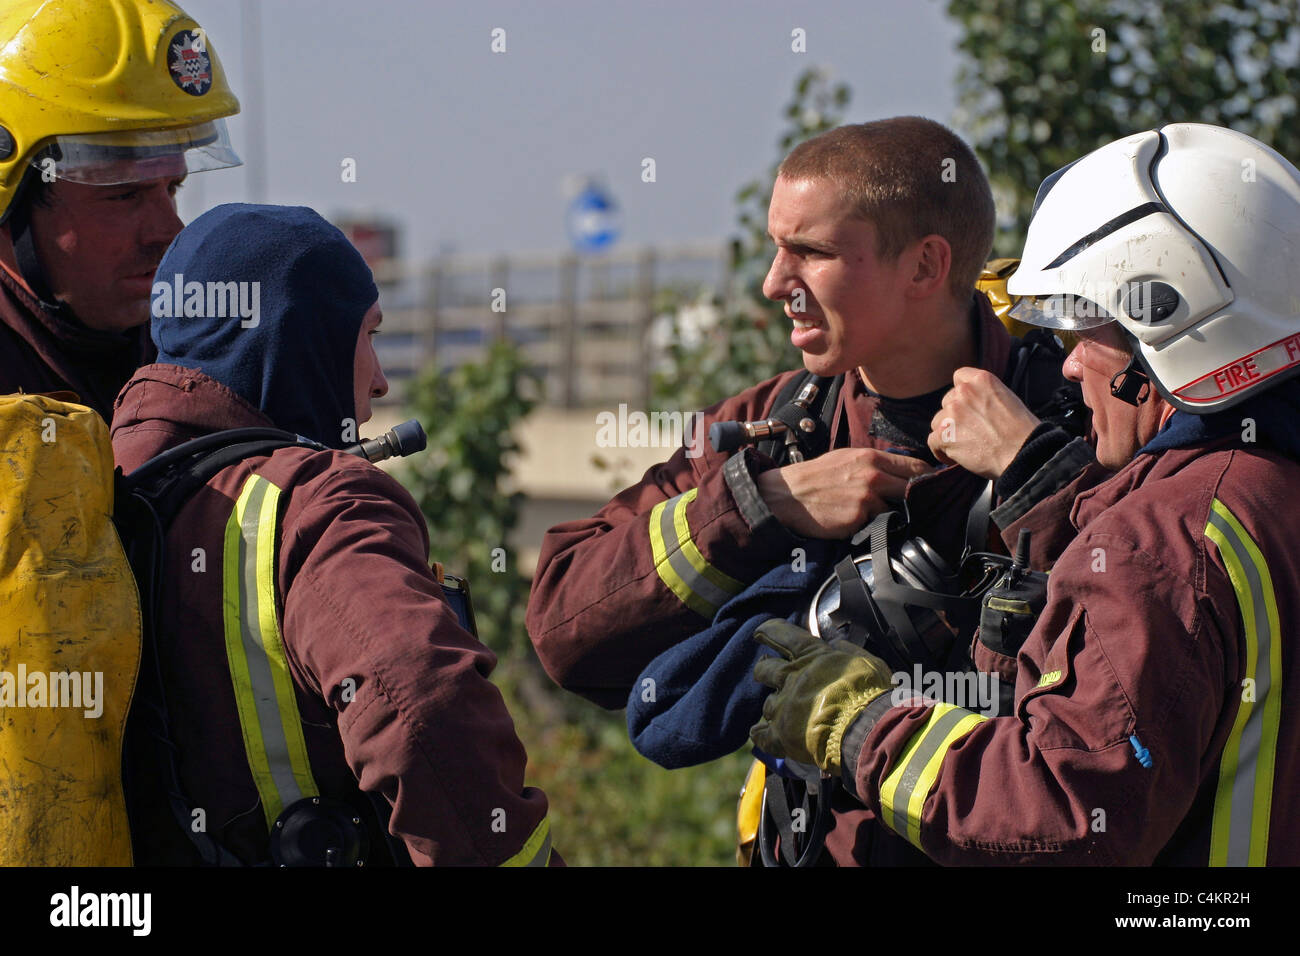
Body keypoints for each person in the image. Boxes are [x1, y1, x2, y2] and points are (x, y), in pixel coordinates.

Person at [526, 117, 1083, 865]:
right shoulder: (777, 424)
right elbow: (568, 634)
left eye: (811, 253)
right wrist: (763, 507)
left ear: (925, 267)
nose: (773, 283)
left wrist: (1033, 482)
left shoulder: (1073, 427)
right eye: (775, 248)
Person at [751, 123, 1300, 865]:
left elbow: (1061, 811)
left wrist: (856, 724)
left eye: (1086, 332)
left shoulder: (1162, 538)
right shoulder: (1265, 490)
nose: (1070, 369)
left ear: (1168, 323)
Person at [112, 204, 556, 866]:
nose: (378, 380)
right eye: (367, 335)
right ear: (302, 339)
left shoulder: (109, 487)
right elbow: (424, 708)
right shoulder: (320, 506)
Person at [0, 0, 241, 421]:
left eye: (174, 187)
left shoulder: (198, 358)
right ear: (11, 196)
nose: (171, 232)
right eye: (124, 194)